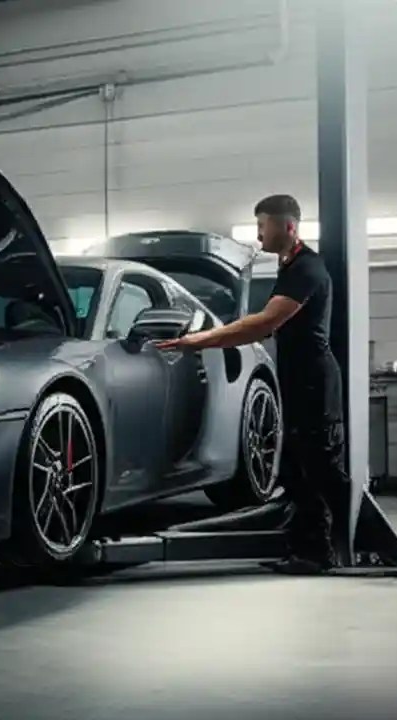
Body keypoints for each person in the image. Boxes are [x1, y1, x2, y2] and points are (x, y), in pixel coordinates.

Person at [155, 194, 348, 574]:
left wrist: (199, 339)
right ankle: (307, 551)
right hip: (297, 381)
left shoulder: (307, 269)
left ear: (288, 227)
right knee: (295, 471)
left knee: (320, 470)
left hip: (315, 384)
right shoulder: (289, 266)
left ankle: (342, 548)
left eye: (263, 226)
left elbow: (263, 323)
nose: (258, 235)